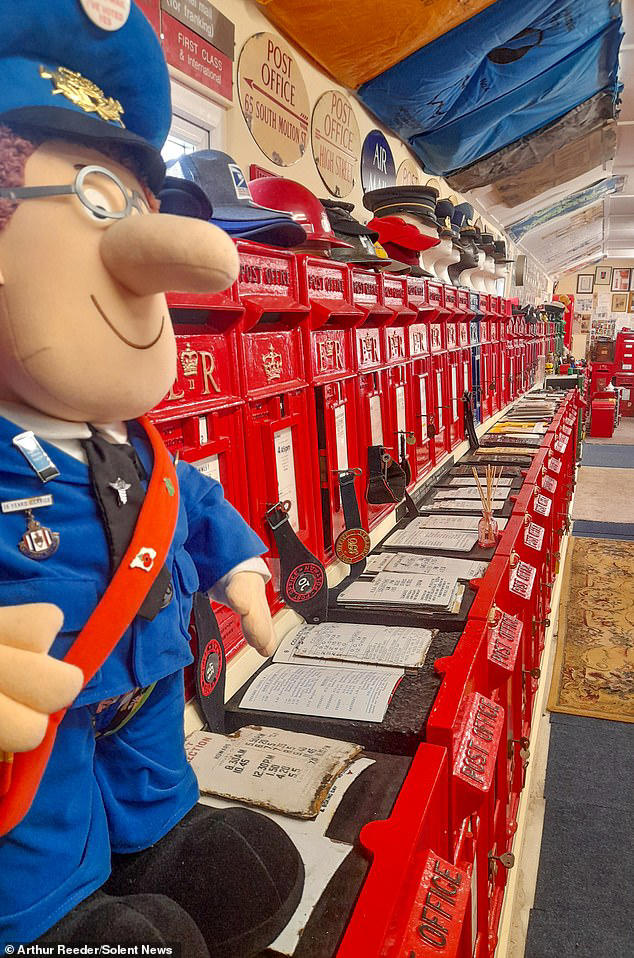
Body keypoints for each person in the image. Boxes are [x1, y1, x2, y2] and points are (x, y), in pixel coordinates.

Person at [0, 3, 303, 954]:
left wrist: (242, 573)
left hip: (148, 685)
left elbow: (195, 507)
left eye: (129, 206)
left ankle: (153, 846)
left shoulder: (135, 439)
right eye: (92, 203)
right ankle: (50, 920)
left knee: (177, 821)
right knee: (37, 850)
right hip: (31, 729)